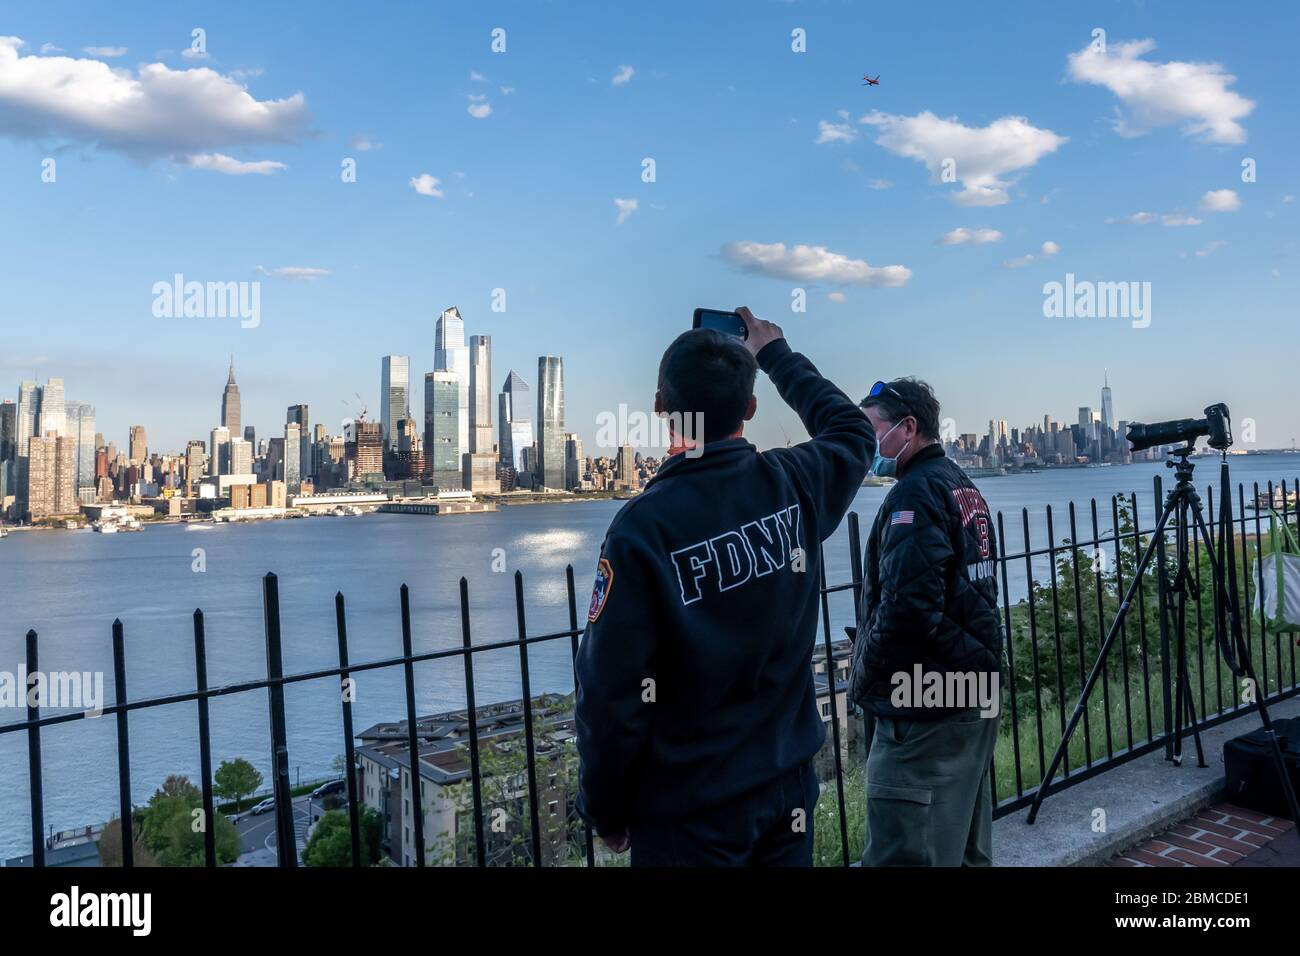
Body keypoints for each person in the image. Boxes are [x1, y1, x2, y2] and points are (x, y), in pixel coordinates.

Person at [574, 306, 874, 866]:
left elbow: (612, 692)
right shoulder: (793, 481)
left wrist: (605, 808)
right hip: (789, 793)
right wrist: (776, 355)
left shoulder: (642, 530)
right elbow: (854, 430)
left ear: (661, 407)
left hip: (690, 812)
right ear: (752, 409)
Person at [848, 377, 1004, 866]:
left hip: (924, 708)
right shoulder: (962, 485)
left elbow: (908, 612)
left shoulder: (913, 496)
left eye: (870, 431)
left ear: (908, 427)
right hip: (970, 693)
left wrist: (864, 675)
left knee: (906, 847)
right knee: (963, 845)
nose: (865, 445)